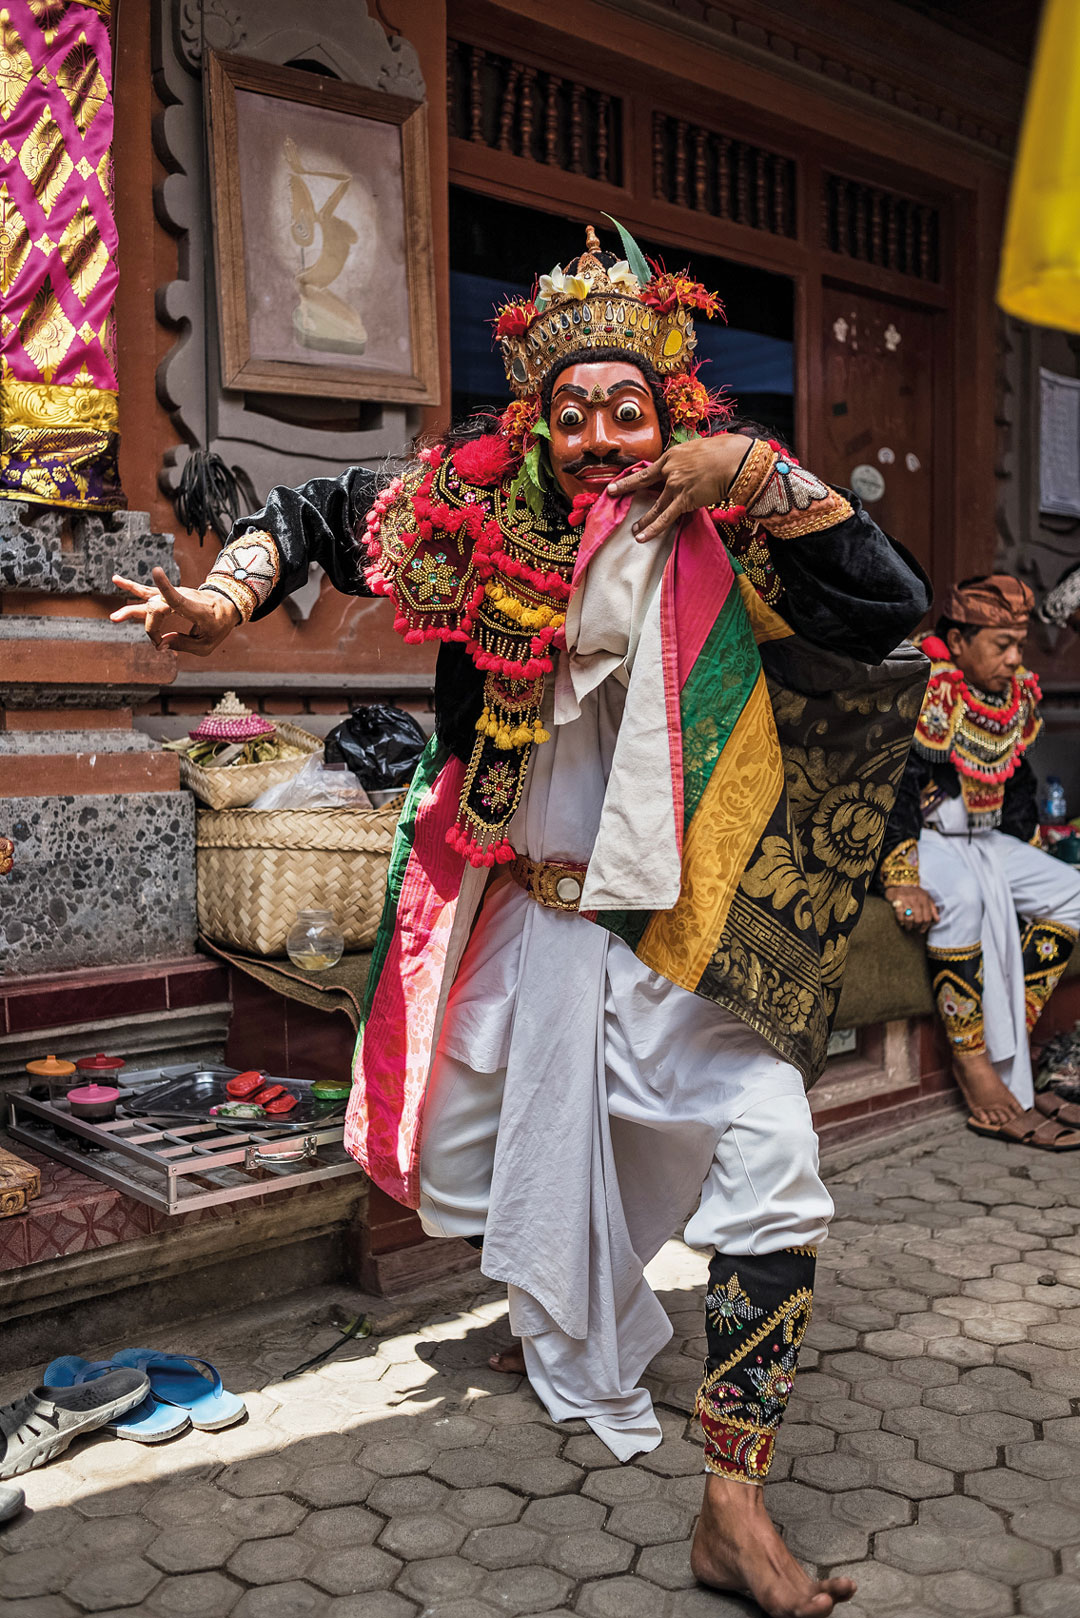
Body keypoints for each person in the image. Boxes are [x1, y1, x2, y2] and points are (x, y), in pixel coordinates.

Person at [114, 226, 930, 1617]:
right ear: (538, 423)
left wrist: (755, 473)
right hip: (527, 918)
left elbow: (888, 603)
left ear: (672, 418)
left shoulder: (725, 519)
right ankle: (559, 1313)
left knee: (773, 1154)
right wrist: (222, 598)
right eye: (575, 413)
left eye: (631, 412)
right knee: (482, 1149)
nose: (603, 439)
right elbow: (318, 515)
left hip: (680, 935)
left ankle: (733, 1502)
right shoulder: (471, 511)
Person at [878, 573, 1080, 1146]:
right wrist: (901, 879)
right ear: (958, 640)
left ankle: (1004, 1038)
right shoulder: (925, 686)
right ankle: (975, 1068)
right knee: (961, 899)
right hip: (925, 839)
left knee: (1071, 891)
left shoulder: (1012, 696)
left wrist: (1032, 842)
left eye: (1019, 645)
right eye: (1002, 644)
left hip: (985, 841)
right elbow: (892, 784)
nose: (1016, 658)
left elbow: (1017, 783)